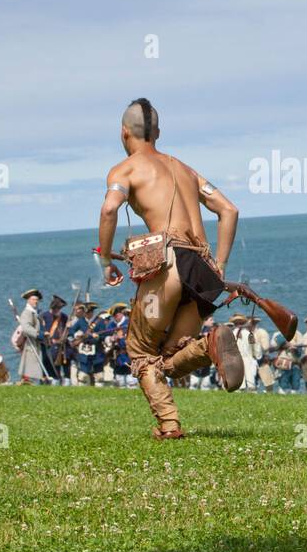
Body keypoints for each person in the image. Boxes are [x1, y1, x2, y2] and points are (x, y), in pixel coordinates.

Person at [96, 98, 245, 438]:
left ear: (123, 133)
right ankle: (209, 346)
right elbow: (229, 211)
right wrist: (219, 265)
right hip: (204, 271)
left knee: (139, 350)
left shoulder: (125, 170)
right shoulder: (185, 169)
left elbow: (108, 211)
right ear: (158, 133)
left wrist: (106, 260)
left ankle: (169, 424)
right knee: (169, 355)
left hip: (169, 264)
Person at [16, 289, 45, 383]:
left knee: (34, 366)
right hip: (30, 343)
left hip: (35, 342)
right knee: (30, 367)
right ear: (28, 300)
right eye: (33, 299)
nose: (35, 301)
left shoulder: (34, 312)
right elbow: (26, 327)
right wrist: (38, 334)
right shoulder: (27, 312)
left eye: (36, 300)